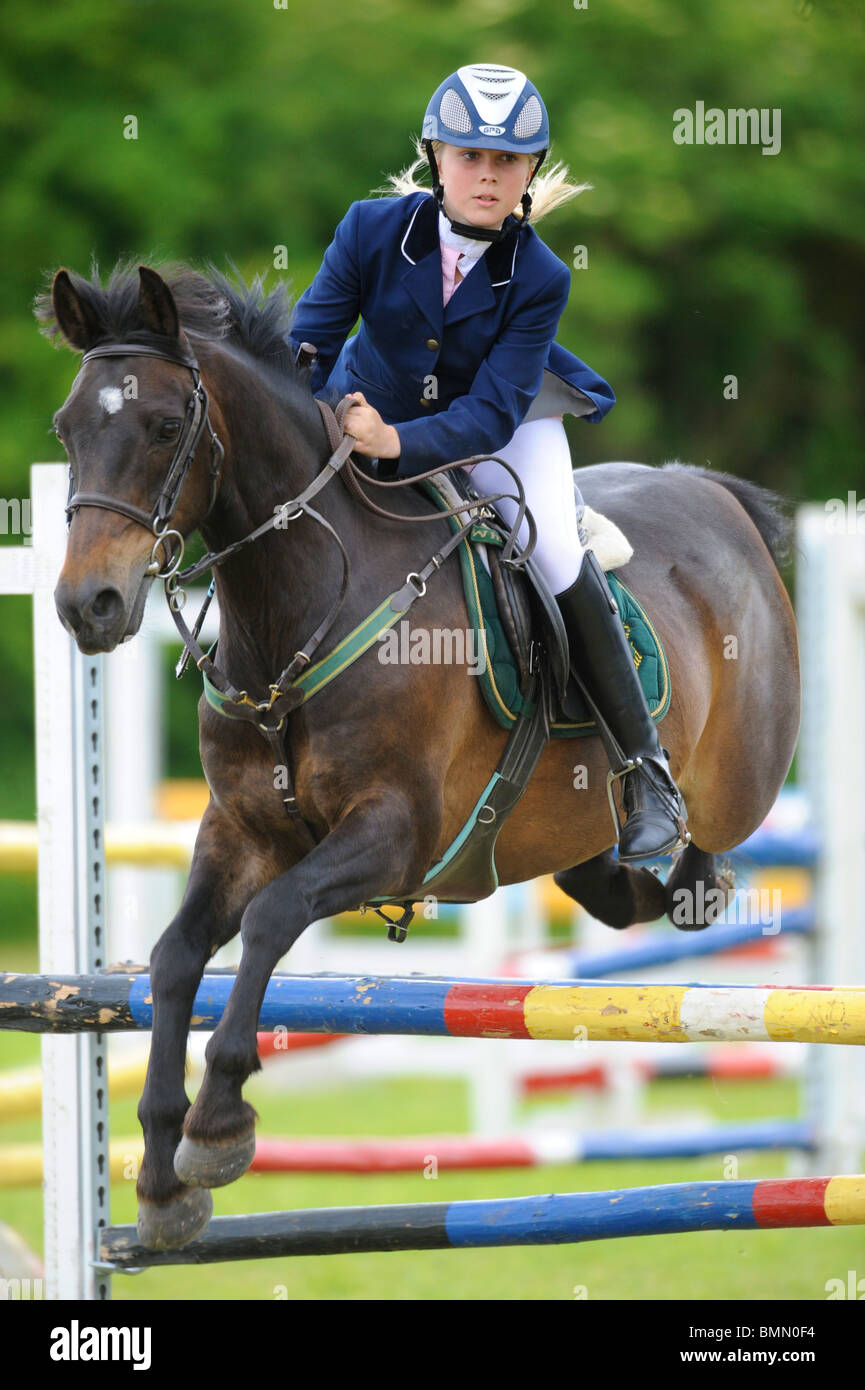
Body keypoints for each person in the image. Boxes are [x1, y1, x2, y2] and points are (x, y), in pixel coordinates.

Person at [288, 62, 687, 861]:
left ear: (529, 172)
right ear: (435, 157)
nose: (487, 174)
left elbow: (493, 411)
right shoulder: (370, 229)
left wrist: (397, 445)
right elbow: (308, 343)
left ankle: (646, 773)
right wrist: (330, 416)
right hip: (366, 406)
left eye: (507, 161)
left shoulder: (539, 275)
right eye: (469, 156)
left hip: (503, 428)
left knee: (551, 549)